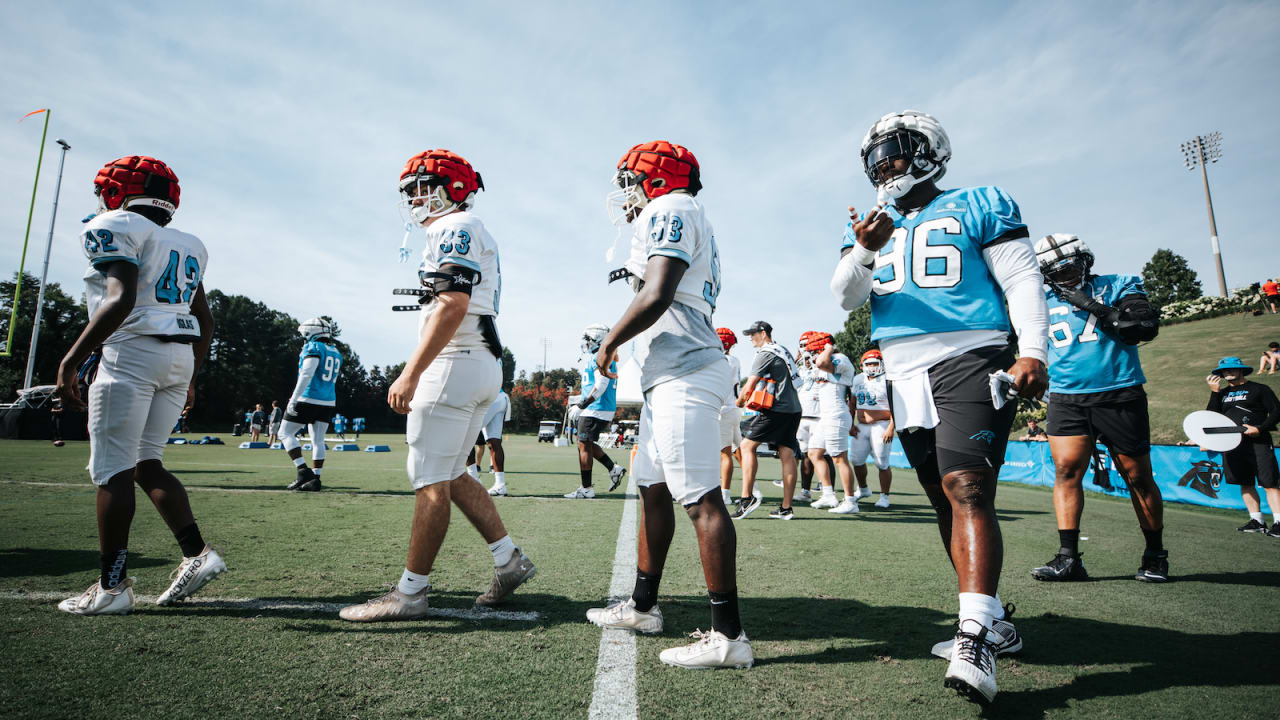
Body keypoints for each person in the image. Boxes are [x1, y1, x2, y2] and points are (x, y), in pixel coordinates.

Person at [830, 110, 1049, 704]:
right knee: (941, 499)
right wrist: (864, 249)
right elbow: (846, 297)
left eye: (894, 151)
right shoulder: (874, 223)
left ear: (928, 151)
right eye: (873, 155)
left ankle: (973, 635)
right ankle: (994, 621)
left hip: (971, 351)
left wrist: (1032, 349)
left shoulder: (980, 200)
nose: (882, 164)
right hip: (902, 368)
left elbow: (1022, 278)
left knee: (966, 487)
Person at [338, 149, 534, 622]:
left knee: (429, 480)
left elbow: (452, 304)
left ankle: (410, 593)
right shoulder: (463, 228)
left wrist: (412, 371)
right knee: (450, 473)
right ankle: (509, 560)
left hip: (455, 362)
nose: (413, 197)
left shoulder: (454, 226)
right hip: (481, 362)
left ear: (449, 187)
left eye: (419, 187)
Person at [586, 140, 751, 669]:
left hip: (686, 371)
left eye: (632, 180)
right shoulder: (677, 211)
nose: (627, 193)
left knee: (701, 498)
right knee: (652, 490)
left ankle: (729, 636)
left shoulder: (672, 207)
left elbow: (657, 293)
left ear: (656, 180)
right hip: (671, 373)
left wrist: (608, 341)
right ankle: (643, 606)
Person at [53, 155, 225, 615]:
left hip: (132, 354)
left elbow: (122, 296)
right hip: (179, 356)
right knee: (148, 463)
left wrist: (73, 358)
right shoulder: (188, 242)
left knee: (113, 470)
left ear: (117, 192)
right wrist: (191, 373)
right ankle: (197, 553)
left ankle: (112, 588)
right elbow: (204, 320)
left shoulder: (115, 224)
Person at [1030, 233, 1167, 584]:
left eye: (1072, 267)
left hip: (1119, 392)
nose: (1066, 275)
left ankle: (1155, 555)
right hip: (1066, 396)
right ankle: (1068, 558)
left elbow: (1142, 327)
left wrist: (1089, 304)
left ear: (1085, 260)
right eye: (1057, 272)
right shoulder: (1036, 299)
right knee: (1066, 472)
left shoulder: (1117, 285)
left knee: (1137, 476)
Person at [734, 321, 802, 520]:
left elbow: (750, 384)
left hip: (777, 409)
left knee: (746, 447)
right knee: (787, 453)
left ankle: (747, 498)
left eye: (753, 334)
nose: (750, 338)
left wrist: (739, 401)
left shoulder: (765, 353)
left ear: (763, 333)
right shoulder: (782, 349)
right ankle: (786, 508)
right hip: (794, 409)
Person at [1205, 357, 1280, 536]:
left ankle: (1278, 522)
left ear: (1241, 370)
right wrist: (1214, 393)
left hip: (1258, 442)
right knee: (1244, 483)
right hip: (1232, 444)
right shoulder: (1220, 393)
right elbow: (1210, 417)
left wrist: (1260, 428)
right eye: (1224, 370)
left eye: (1232, 369)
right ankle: (1257, 521)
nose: (1228, 372)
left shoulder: (1259, 389)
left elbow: (1277, 411)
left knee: (1270, 483)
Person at [565, 324, 627, 498]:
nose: (585, 343)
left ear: (597, 339)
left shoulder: (602, 356)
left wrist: (582, 405)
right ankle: (613, 469)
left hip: (596, 409)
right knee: (586, 444)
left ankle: (586, 489)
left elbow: (600, 386)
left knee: (583, 445)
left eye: (588, 340)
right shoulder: (599, 356)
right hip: (596, 408)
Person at [280, 318, 342, 492]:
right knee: (318, 441)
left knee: (284, 433)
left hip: (308, 398)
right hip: (328, 400)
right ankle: (315, 479)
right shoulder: (335, 352)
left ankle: (302, 471)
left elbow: (306, 374)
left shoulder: (313, 348)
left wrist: (293, 398)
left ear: (310, 332)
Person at [807, 332, 862, 515]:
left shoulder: (840, 358)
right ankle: (828, 494)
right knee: (814, 452)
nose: (812, 354)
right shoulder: (820, 362)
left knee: (839, 458)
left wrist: (828, 346)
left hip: (837, 414)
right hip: (826, 416)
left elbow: (823, 363)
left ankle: (850, 501)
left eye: (814, 350)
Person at [850, 349, 896, 508]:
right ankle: (863, 489)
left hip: (881, 424)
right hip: (862, 425)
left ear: (882, 364)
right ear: (862, 365)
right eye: (868, 363)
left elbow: (898, 406)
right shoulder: (858, 379)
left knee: (882, 463)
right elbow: (852, 403)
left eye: (875, 363)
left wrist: (891, 426)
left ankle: (885, 496)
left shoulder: (888, 380)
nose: (871, 367)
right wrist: (850, 423)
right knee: (856, 460)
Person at [795, 335, 832, 507]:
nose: (805, 351)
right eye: (803, 347)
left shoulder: (826, 364)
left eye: (808, 347)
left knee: (824, 455)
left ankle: (828, 492)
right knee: (806, 455)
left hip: (820, 415)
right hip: (803, 415)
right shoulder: (800, 368)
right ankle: (806, 491)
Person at [715, 328, 746, 506]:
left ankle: (725, 494)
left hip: (724, 410)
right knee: (738, 450)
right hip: (733, 409)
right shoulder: (734, 360)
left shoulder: (721, 360)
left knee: (724, 454)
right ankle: (752, 486)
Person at [473, 388, 512, 496]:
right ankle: (500, 485)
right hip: (501, 397)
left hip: (487, 399)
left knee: (466, 435)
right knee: (494, 442)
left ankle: (473, 481)